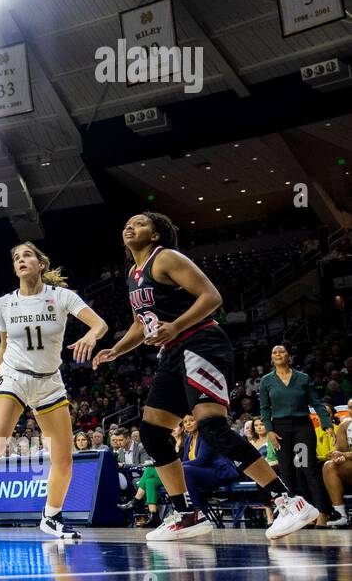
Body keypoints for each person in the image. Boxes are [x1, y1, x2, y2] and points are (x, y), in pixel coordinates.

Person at [92, 212, 315, 540]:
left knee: (211, 426)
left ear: (155, 235)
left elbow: (212, 297)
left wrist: (176, 326)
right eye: (127, 222)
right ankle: (186, 514)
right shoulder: (132, 274)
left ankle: (288, 501)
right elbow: (141, 324)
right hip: (171, 352)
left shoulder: (166, 258)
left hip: (201, 342)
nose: (130, 226)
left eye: (140, 223)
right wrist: (116, 350)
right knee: (153, 435)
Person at [0, 243, 108, 539]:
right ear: (14, 268)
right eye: (16, 258)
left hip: (49, 381)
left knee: (63, 459)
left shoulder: (62, 297)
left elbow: (100, 324)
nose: (21, 260)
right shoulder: (4, 304)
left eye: (27, 255)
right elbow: (3, 346)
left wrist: (91, 335)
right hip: (13, 377)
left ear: (41, 264)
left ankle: (51, 516)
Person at [258, 345, 334, 525]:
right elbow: (264, 409)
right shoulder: (266, 381)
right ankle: (294, 515)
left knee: (307, 468)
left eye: (282, 351)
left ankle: (322, 512)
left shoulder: (303, 378)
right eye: (274, 352)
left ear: (289, 356)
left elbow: (315, 402)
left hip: (302, 427)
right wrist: (269, 431)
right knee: (287, 472)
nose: (278, 354)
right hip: (280, 430)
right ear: (271, 358)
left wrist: (327, 424)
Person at [179, 414, 239, 512]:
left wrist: (177, 467)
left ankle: (198, 509)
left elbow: (201, 461)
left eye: (191, 420)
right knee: (179, 472)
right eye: (185, 422)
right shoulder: (188, 439)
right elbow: (186, 461)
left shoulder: (206, 435)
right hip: (201, 474)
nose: (188, 424)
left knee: (185, 470)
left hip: (219, 472)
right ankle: (183, 510)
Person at [323, 408, 351, 527]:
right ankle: (340, 515)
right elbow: (341, 451)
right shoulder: (345, 426)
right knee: (329, 465)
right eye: (350, 407)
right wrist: (338, 456)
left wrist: (345, 455)